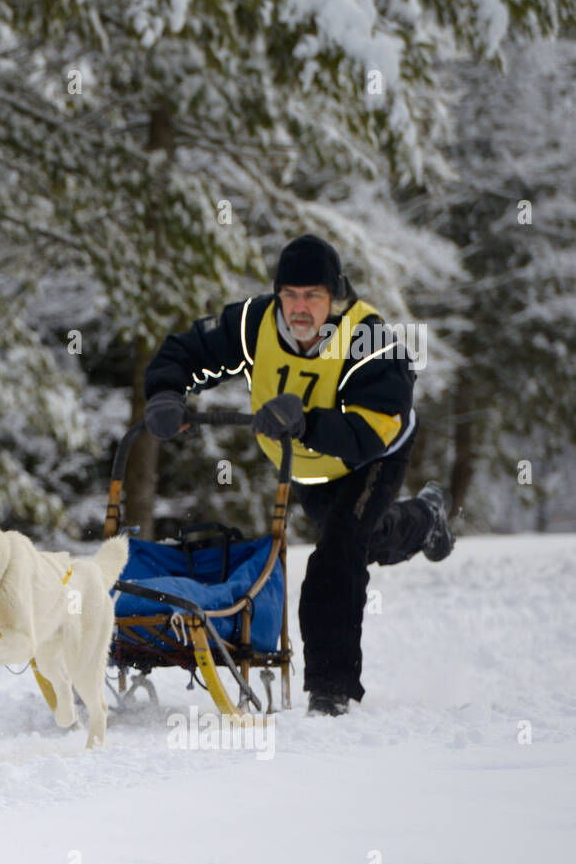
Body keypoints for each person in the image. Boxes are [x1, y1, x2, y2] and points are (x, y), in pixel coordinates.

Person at [142, 234, 454, 716]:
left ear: (335, 296)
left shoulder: (369, 337)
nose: (300, 308)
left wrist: (307, 419)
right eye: (290, 294)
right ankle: (425, 519)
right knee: (359, 540)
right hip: (303, 465)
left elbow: (372, 428)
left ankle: (331, 688)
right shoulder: (255, 322)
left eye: (313, 296)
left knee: (338, 552)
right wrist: (166, 393)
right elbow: (188, 348)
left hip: (367, 458)